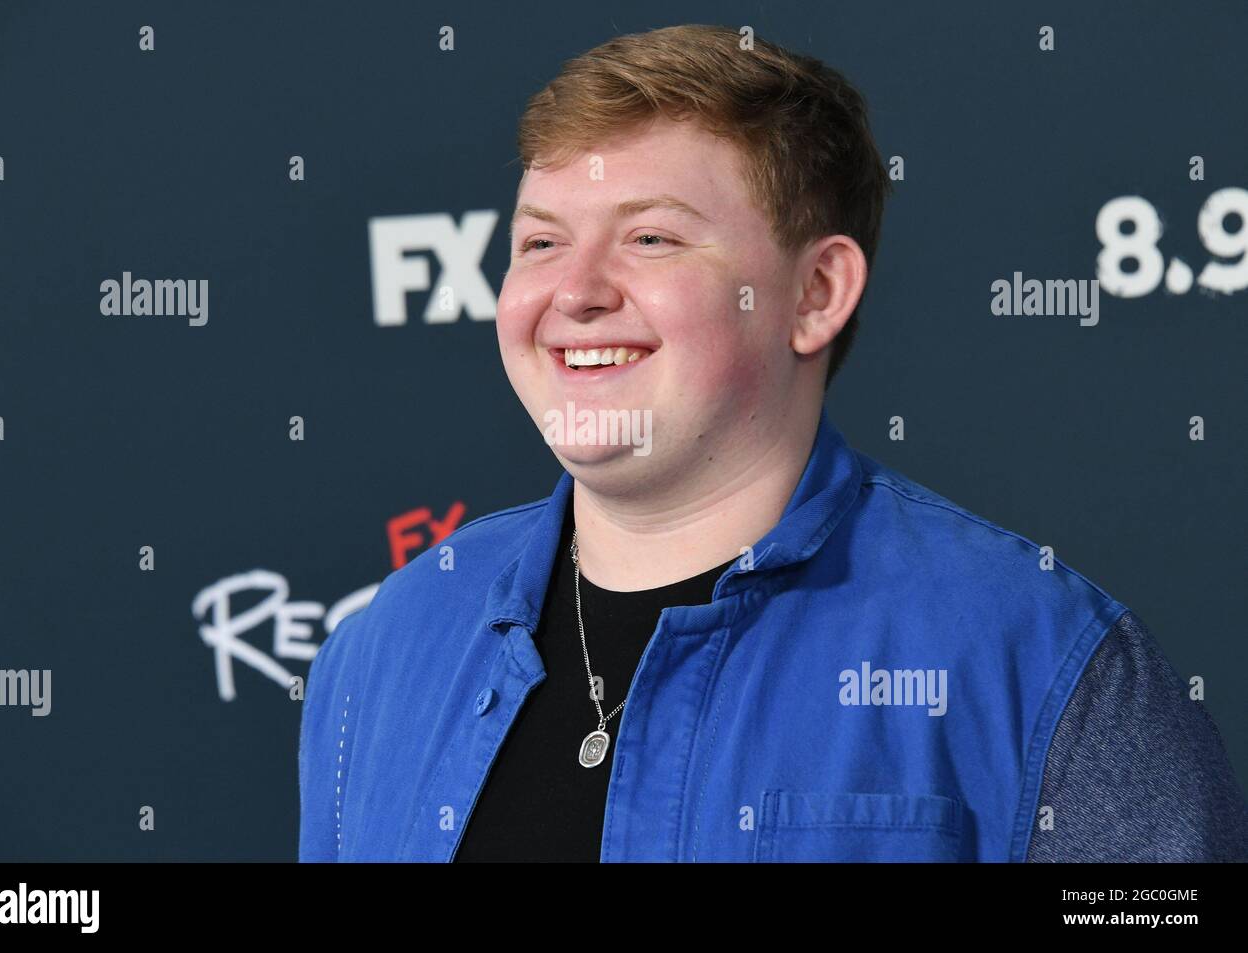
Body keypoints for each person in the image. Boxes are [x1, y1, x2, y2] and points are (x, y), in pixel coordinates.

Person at [299, 24, 1248, 862]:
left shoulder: (1038, 659)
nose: (573, 292)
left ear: (816, 295)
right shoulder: (388, 643)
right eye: (541, 244)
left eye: (652, 240)